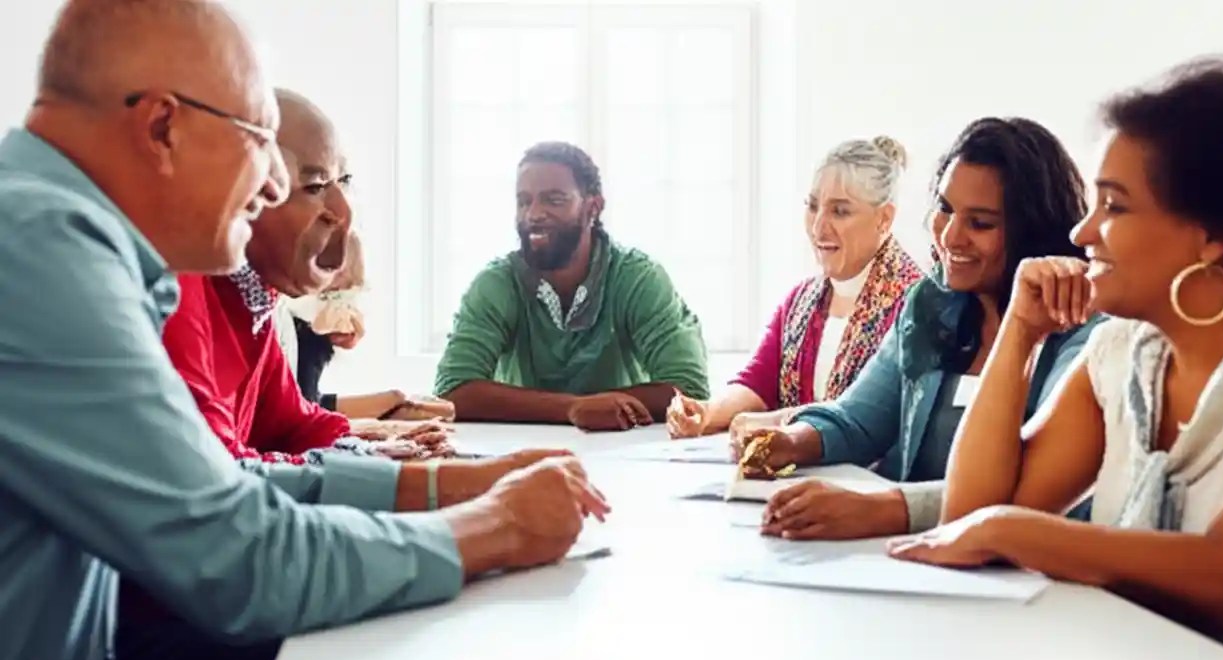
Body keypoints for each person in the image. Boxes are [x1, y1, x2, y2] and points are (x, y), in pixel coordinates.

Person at [0, 3, 606, 660]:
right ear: (163, 127)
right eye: (260, 142)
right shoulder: (38, 247)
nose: (269, 189)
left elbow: (222, 481)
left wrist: (457, 485)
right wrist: (496, 525)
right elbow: (240, 556)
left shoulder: (66, 238)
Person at [886, 60, 1223, 660]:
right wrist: (1020, 331)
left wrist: (1010, 531)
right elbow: (974, 512)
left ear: (1212, 235)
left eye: (1114, 207)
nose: (1081, 231)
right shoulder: (1121, 356)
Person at [745, 117, 1103, 540]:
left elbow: (1029, 493)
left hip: (1017, 574)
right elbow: (859, 421)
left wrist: (882, 511)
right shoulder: (933, 301)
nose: (950, 237)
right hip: (916, 557)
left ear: (1034, 230)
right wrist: (786, 443)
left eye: (981, 223)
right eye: (946, 210)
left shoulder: (1085, 329)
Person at [161, 88, 450, 465]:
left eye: (341, 182)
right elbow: (218, 470)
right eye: (315, 187)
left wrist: (366, 452)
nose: (342, 211)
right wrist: (407, 482)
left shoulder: (255, 296)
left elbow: (291, 423)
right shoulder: (181, 284)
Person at [433, 141, 711, 432]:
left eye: (553, 200)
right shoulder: (496, 284)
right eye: (524, 201)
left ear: (593, 207)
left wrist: (591, 408)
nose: (534, 214)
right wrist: (573, 408)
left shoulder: (637, 278)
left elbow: (690, 391)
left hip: (626, 454)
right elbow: (452, 390)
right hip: (520, 458)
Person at [666, 137, 922, 439]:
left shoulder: (914, 305)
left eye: (840, 212)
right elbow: (758, 381)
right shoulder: (800, 301)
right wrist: (707, 413)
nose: (818, 227)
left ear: (884, 218)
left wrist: (779, 424)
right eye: (813, 207)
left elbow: (870, 414)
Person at [277, 230, 455, 422]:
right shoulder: (282, 319)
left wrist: (392, 403)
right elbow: (292, 417)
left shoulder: (304, 328)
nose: (344, 303)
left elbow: (306, 401)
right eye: (333, 293)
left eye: (350, 292)